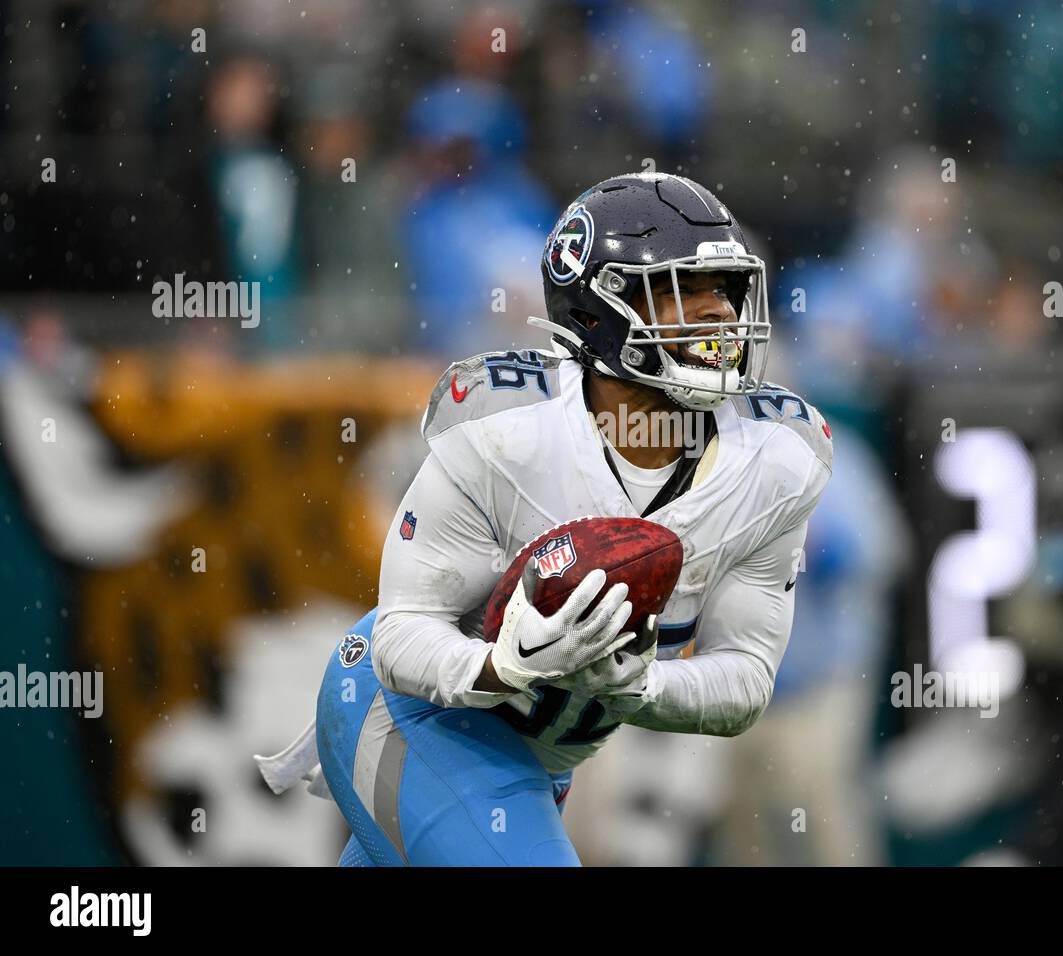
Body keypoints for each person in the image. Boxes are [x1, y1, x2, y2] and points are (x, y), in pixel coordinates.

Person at [256, 172, 832, 866]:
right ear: (598, 311)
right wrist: (502, 665)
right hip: (411, 714)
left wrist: (642, 687)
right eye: (684, 291)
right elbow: (400, 637)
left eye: (726, 290)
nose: (718, 315)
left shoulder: (776, 460)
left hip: (538, 764)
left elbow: (745, 678)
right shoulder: (507, 426)